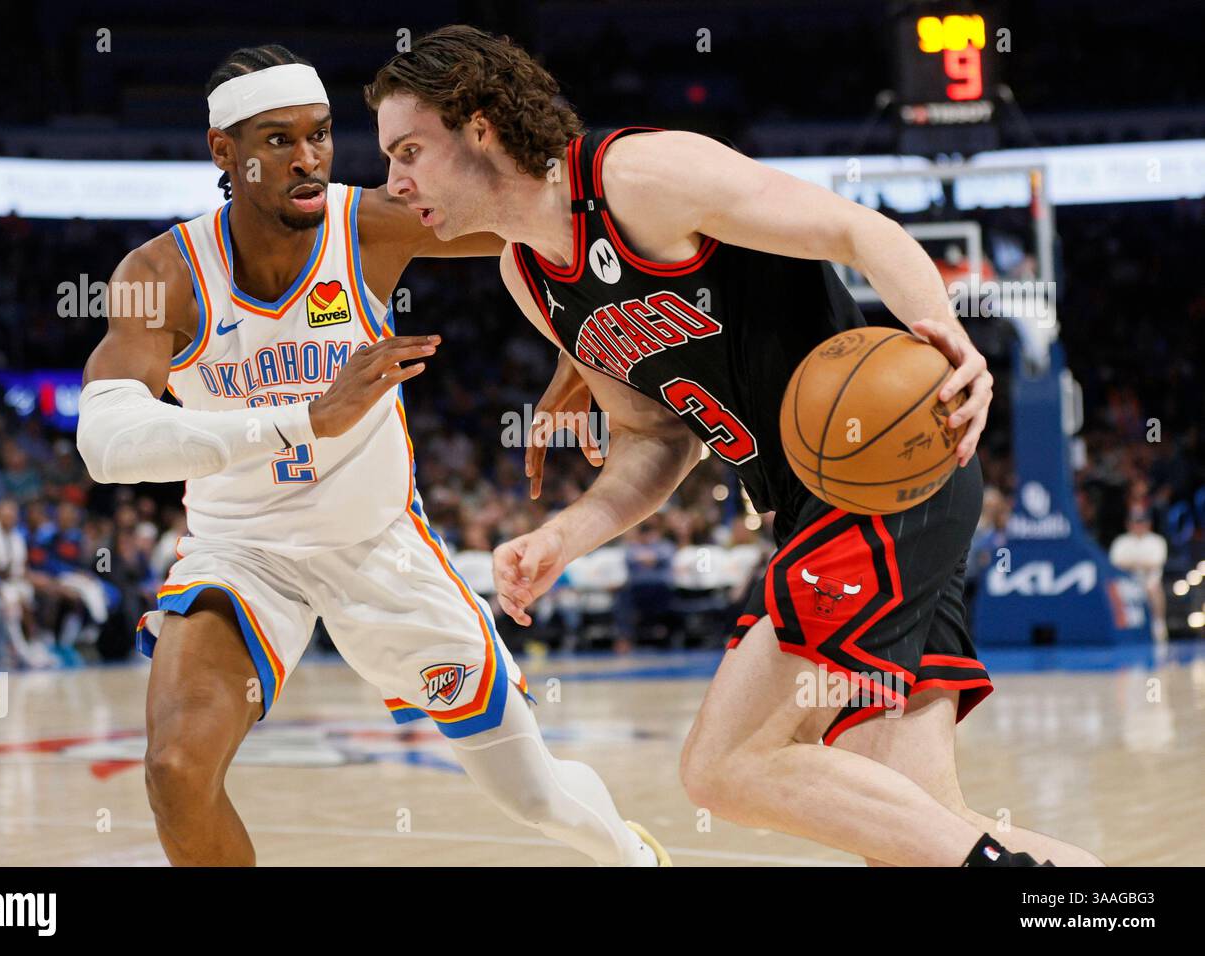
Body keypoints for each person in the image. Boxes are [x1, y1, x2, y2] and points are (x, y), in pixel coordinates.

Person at [365, 24, 1103, 866]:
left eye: (411, 149)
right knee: (915, 830)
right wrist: (562, 537)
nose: (395, 180)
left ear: (481, 124)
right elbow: (655, 440)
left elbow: (856, 231)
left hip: (878, 482)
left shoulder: (638, 177)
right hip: (820, 511)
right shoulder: (527, 275)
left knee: (723, 768)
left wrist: (949, 340)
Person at [75, 44, 665, 867]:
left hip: (381, 546)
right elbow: (105, 442)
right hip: (244, 553)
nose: (308, 158)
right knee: (176, 771)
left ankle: (634, 857)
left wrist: (582, 330)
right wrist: (303, 419)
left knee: (533, 795)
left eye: (318, 135)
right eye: (277, 141)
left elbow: (546, 218)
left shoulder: (369, 224)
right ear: (224, 153)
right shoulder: (162, 274)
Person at [1109, 507, 1169, 642]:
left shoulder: (1157, 541)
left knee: (1154, 588)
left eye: (1142, 522)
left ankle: (1158, 625)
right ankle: (1118, 630)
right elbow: (1114, 564)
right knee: (1112, 589)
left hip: (1149, 582)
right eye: (1135, 522)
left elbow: (1155, 563)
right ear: (1128, 524)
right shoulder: (1121, 542)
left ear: (1149, 523)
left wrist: (1132, 564)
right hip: (1125, 582)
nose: (1138, 525)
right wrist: (1139, 564)